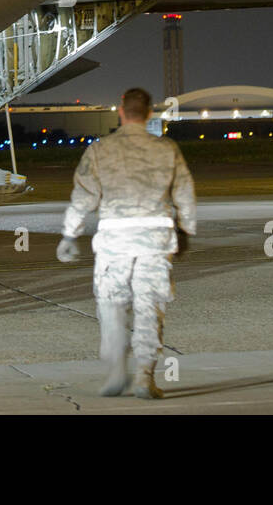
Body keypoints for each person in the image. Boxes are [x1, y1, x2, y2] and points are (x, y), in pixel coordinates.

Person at [56, 87, 196, 399]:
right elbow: (184, 193)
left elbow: (83, 196)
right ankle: (145, 377)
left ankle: (116, 370)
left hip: (114, 242)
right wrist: (185, 230)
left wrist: (69, 234)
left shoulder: (99, 150)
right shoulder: (167, 148)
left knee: (111, 304)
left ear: (121, 112)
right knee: (149, 307)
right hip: (154, 242)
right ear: (149, 114)